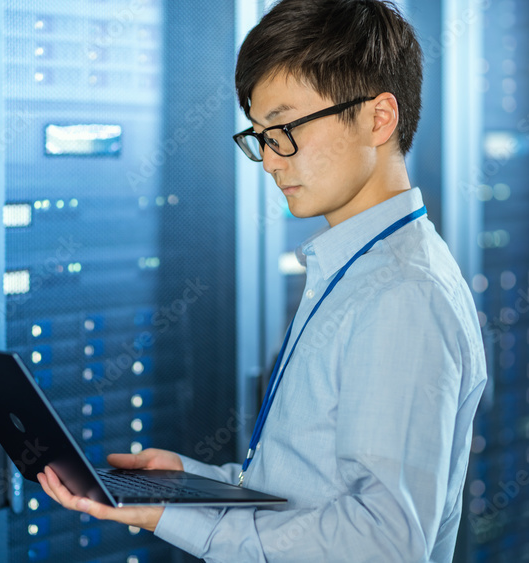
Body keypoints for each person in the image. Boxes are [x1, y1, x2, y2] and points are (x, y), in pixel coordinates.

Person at [37, 0, 488, 560]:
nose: (272, 160)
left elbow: (382, 544)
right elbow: (310, 490)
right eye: (261, 135)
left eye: (286, 128)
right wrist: (188, 483)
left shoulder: (403, 295)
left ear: (379, 118)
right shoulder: (358, 268)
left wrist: (176, 518)